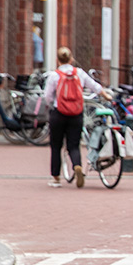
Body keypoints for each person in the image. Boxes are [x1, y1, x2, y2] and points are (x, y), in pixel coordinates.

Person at [44, 47, 107, 188]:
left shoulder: (54, 76)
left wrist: (53, 104)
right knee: (74, 145)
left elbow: (47, 96)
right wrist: (106, 95)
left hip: (58, 113)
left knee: (56, 145)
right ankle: (77, 166)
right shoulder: (79, 73)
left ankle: (56, 178)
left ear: (57, 60)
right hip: (76, 113)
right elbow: (94, 86)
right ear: (71, 59)